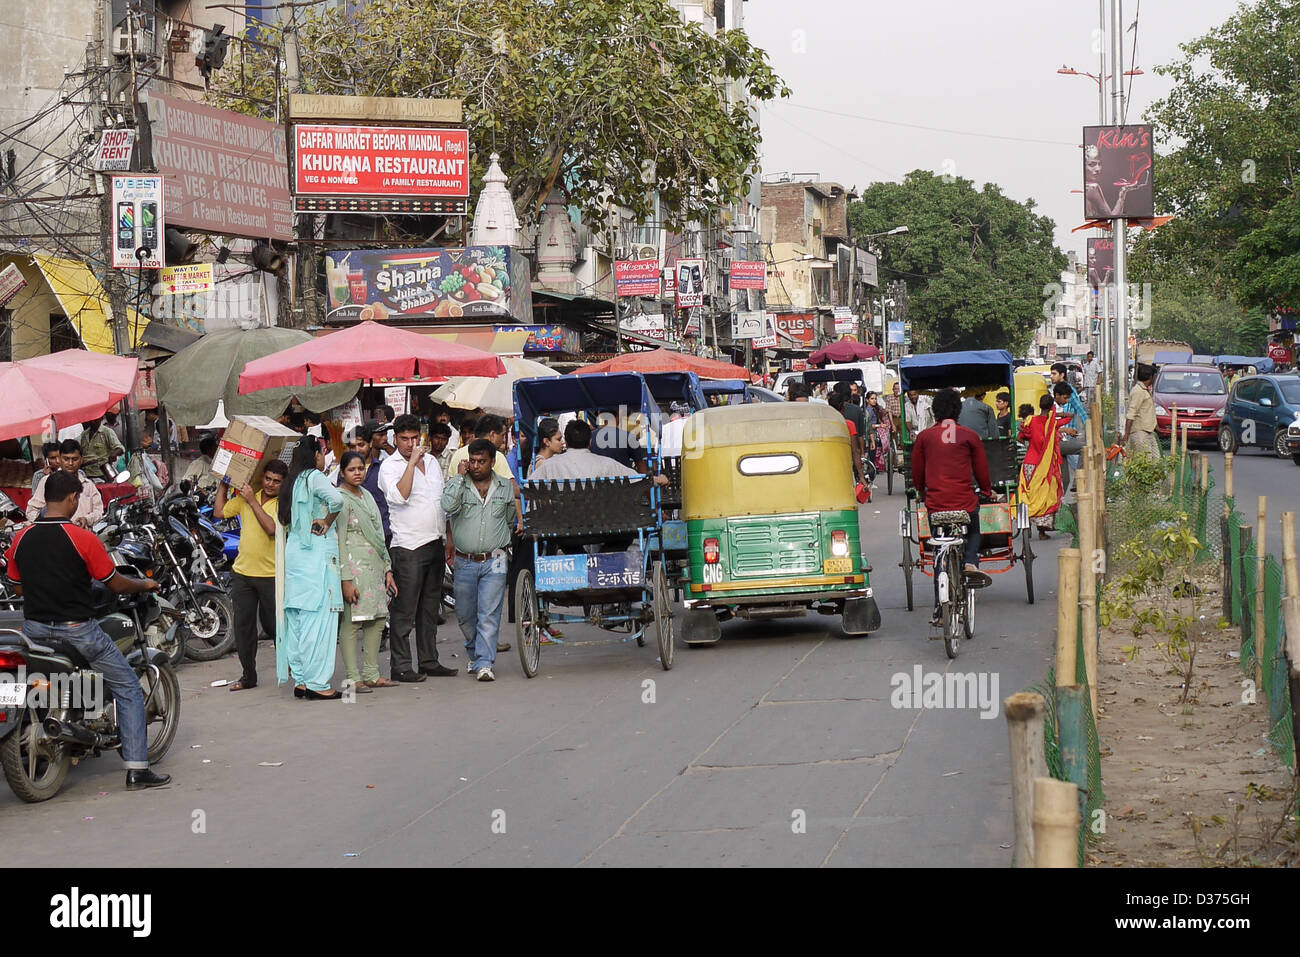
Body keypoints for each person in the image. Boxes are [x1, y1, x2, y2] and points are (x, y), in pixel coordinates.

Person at [3, 470, 171, 790]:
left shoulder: (21, 537)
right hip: (78, 631)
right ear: (72, 498)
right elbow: (114, 582)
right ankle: (137, 769)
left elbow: (17, 587)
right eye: (77, 498)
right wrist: (144, 583)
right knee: (128, 688)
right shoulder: (83, 538)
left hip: (34, 631)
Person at [378, 414, 456, 682]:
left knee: (429, 608)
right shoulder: (390, 467)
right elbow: (399, 496)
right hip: (408, 546)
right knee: (404, 611)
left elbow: (440, 503)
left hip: (435, 542)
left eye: (414, 438)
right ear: (395, 439)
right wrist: (410, 463)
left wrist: (448, 537)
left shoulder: (432, 462)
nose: (411, 444)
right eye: (404, 439)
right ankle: (400, 666)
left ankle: (428, 660)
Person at [911, 389, 994, 627]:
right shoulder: (969, 436)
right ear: (958, 411)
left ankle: (939, 610)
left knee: (939, 553)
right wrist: (986, 491)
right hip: (965, 504)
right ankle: (970, 562)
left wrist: (921, 490)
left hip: (936, 507)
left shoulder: (925, 438)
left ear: (935, 412)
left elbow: (917, 473)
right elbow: (981, 472)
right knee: (974, 528)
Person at [442, 439, 520, 681]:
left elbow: (508, 519)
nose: (476, 466)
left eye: (481, 461)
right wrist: (458, 477)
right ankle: (475, 654)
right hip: (464, 560)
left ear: (492, 462)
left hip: (495, 557)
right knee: (465, 614)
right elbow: (447, 505)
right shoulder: (459, 485)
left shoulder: (505, 487)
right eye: (472, 461)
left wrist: (501, 542)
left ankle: (485, 662)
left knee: (489, 611)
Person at [277, 436, 345, 700]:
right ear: (315, 454)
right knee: (318, 619)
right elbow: (337, 500)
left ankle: (302, 680)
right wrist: (327, 520)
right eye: (322, 451)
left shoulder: (291, 481)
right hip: (315, 553)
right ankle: (318, 682)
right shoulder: (314, 477)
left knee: (297, 618)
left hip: (294, 553)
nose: (323, 456)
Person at [217, 460, 286, 691]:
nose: (270, 484)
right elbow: (219, 512)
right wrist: (224, 485)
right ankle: (248, 676)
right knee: (243, 627)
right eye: (268, 479)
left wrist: (252, 501)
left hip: (271, 575)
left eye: (276, 481)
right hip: (243, 573)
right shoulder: (247, 497)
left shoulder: (281, 504)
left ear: (283, 484)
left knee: (274, 626)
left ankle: (294, 668)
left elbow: (271, 529)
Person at [336, 451, 399, 692]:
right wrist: (345, 579)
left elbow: (379, 533)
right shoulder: (339, 500)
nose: (358, 473)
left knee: (378, 620)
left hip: (374, 568)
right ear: (342, 473)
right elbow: (339, 540)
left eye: (361, 468)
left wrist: (387, 569)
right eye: (352, 470)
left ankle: (372, 674)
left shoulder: (368, 496)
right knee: (353, 623)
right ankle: (352, 678)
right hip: (354, 569)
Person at [531, 420, 668, 484]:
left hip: (562, 529)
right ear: (590, 442)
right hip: (604, 528)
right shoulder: (607, 464)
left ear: (567, 442)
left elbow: (528, 486)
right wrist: (659, 479)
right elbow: (638, 479)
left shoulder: (549, 466)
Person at [1018, 394, 1065, 539]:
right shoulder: (1051, 424)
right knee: (1044, 496)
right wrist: (1058, 414)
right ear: (1051, 407)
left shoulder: (1031, 420)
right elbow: (1069, 418)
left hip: (1029, 464)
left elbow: (1020, 436)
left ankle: (1026, 525)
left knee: (1027, 494)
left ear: (1039, 405)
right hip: (1045, 466)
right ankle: (1042, 531)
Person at [27, 440, 103, 526]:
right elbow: (31, 510)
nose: (70, 463)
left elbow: (99, 511)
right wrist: (48, 525)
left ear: (81, 460)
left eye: (74, 459)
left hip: (83, 534)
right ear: (59, 458)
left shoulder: (88, 485)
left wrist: (87, 519)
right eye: (66, 459)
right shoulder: (47, 481)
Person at [1120, 363, 1160, 459]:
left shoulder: (1144, 390)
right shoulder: (1138, 391)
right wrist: (1126, 434)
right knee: (1146, 463)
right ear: (1150, 377)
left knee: (1156, 461)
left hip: (1148, 432)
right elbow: (1131, 415)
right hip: (1140, 433)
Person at [1052, 382, 1086, 493]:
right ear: (1057, 395)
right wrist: (1066, 430)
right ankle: (1079, 479)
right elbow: (1048, 426)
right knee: (1084, 448)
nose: (1067, 401)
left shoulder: (1060, 407)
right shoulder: (1051, 406)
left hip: (1061, 440)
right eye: (1065, 398)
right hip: (1055, 443)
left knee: (1064, 479)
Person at [828, 391, 866, 486]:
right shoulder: (848, 424)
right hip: (844, 466)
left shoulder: (824, 424)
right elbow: (855, 451)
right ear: (843, 408)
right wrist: (861, 476)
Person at [79, 415, 125, 482]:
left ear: (101, 418)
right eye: (91, 419)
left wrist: (113, 454)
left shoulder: (107, 432)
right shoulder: (84, 434)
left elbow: (120, 448)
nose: (93, 421)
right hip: (86, 474)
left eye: (95, 419)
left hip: (102, 474)